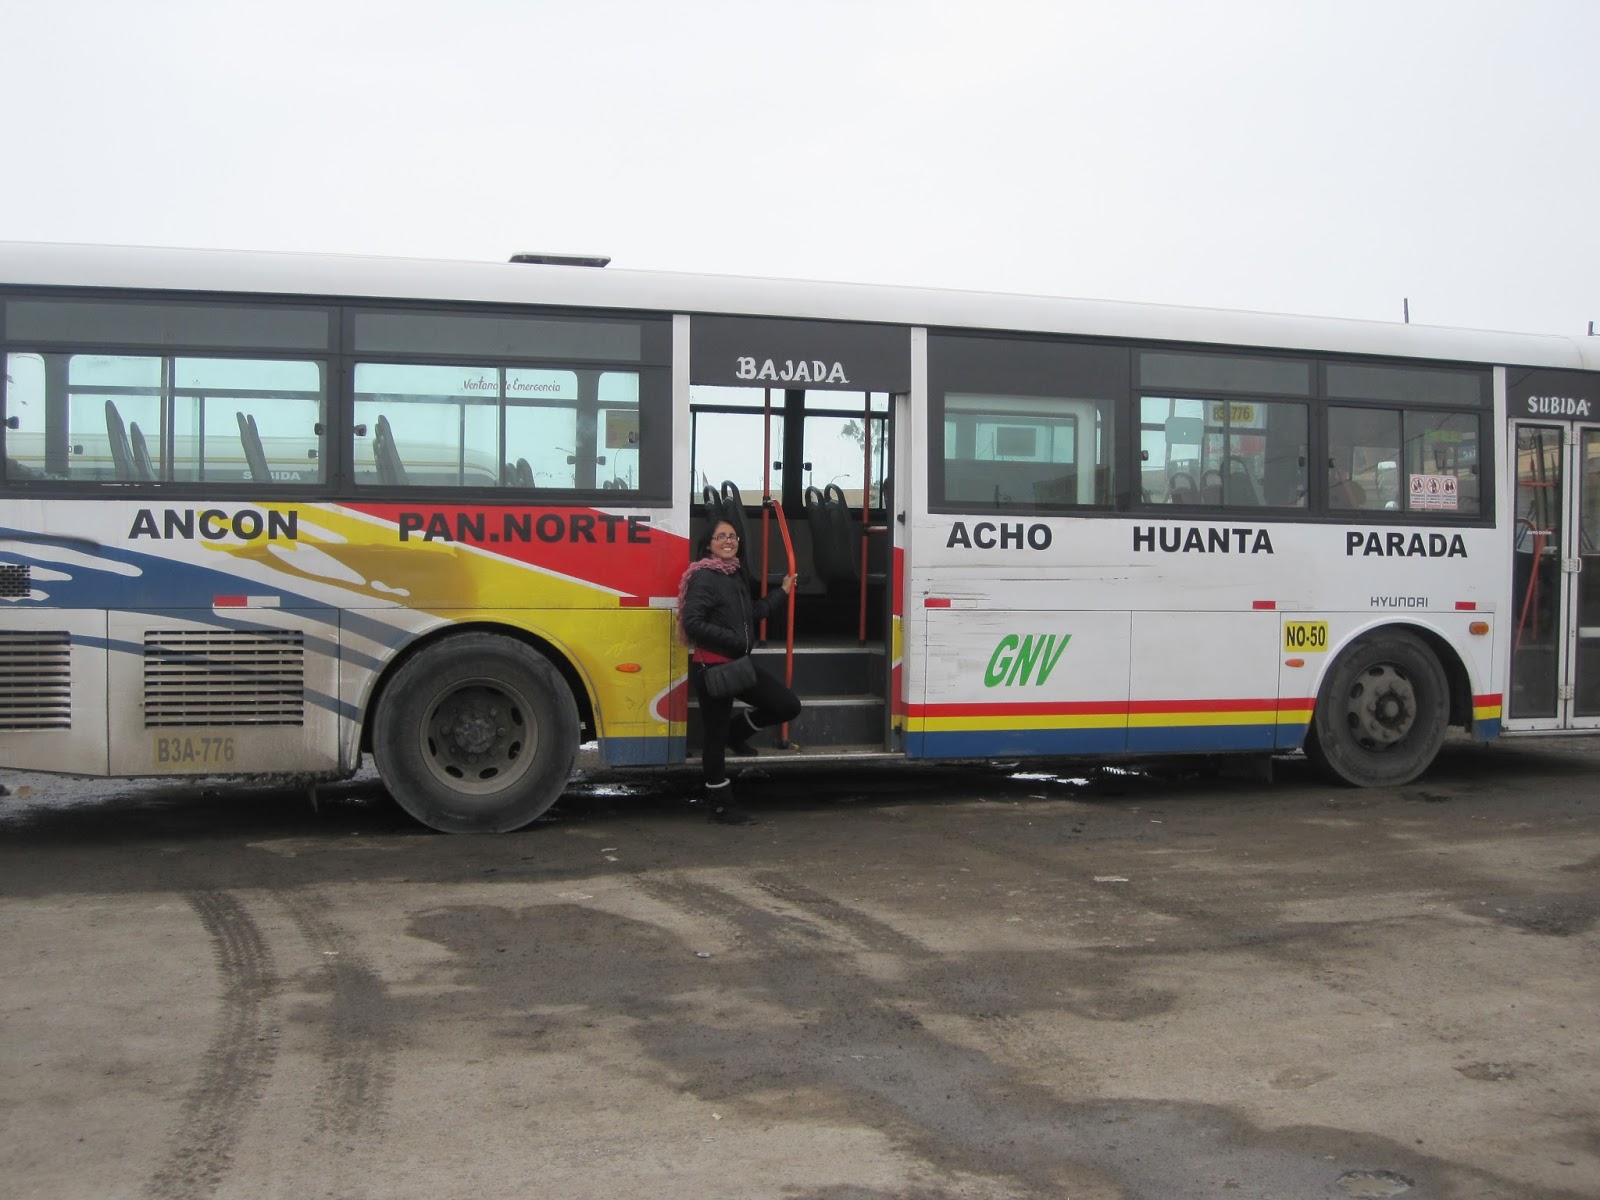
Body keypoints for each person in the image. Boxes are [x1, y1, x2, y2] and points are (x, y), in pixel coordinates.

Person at [677, 519, 801, 824]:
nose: (729, 540)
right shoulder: (705, 576)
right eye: (721, 536)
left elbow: (752, 614)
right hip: (715, 669)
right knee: (714, 740)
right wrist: (732, 641)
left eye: (733, 536)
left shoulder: (734, 574)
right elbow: (692, 623)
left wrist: (781, 593)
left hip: (737, 665)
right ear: (709, 544)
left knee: (786, 705)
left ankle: (738, 732)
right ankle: (721, 804)